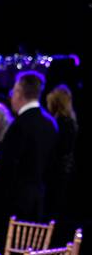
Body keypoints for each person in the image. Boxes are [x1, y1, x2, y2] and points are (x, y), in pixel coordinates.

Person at [0, 70, 58, 241]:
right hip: (40, 203)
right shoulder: (50, 124)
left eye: (13, 91)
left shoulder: (18, 126)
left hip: (14, 206)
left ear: (19, 92)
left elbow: (6, 169)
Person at [45, 83, 78, 239]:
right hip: (65, 173)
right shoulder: (70, 122)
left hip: (57, 174)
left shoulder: (59, 124)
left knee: (54, 212)